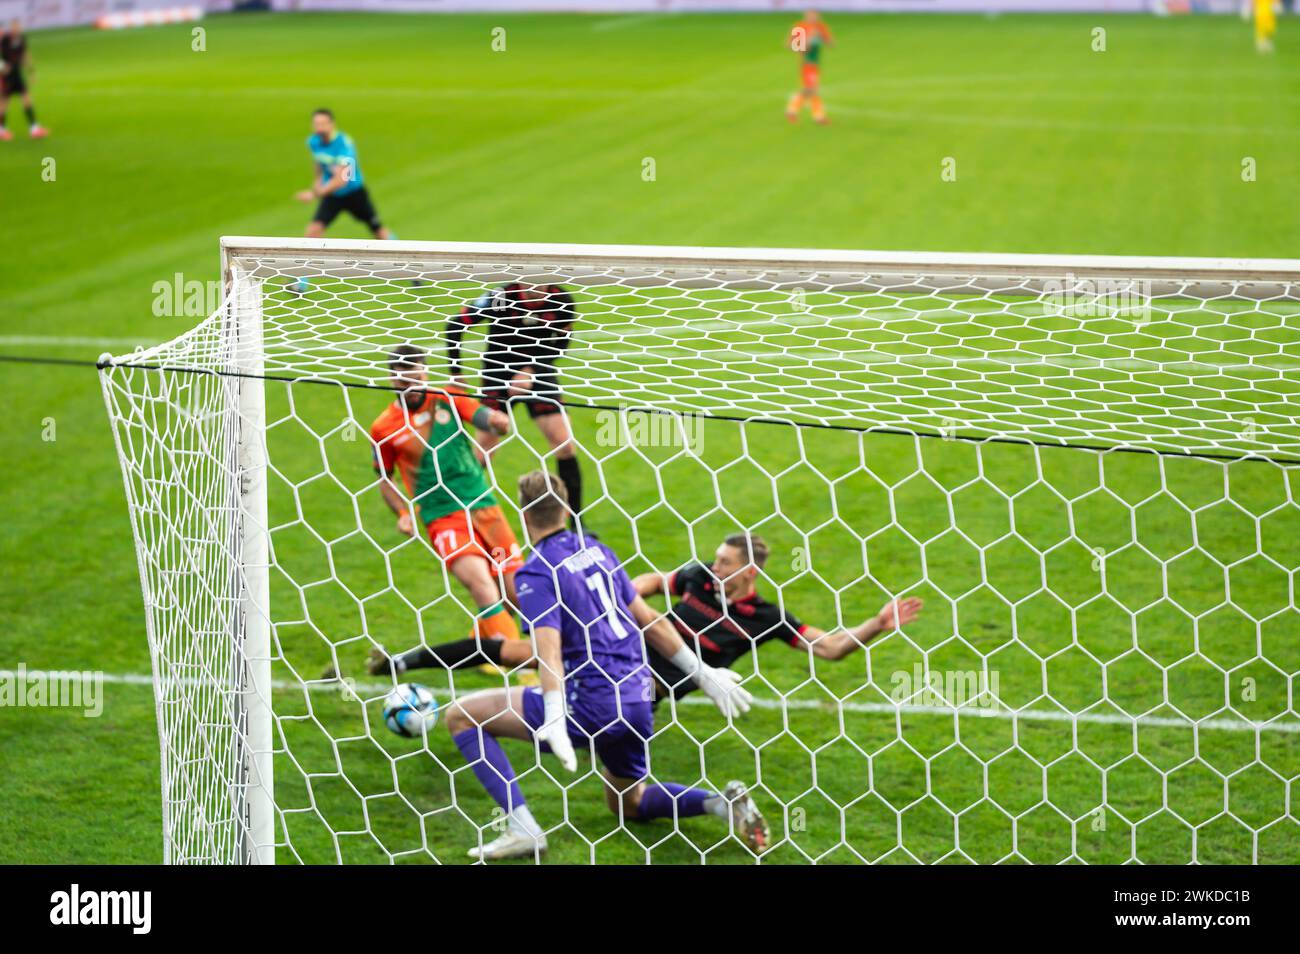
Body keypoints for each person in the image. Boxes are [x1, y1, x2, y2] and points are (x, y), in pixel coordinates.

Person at [443, 471, 765, 861]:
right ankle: (719, 804)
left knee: (462, 716)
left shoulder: (537, 571)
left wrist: (555, 716)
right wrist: (704, 674)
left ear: (524, 516)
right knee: (628, 803)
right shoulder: (599, 551)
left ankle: (522, 828)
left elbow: (548, 652)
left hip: (590, 700)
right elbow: (651, 620)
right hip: (636, 697)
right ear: (565, 510)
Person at [370, 532, 922, 707]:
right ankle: (401, 662)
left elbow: (827, 648)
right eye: (716, 559)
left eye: (726, 563)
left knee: (564, 704)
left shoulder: (766, 618)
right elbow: (652, 584)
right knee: (515, 648)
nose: (715, 566)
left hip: (647, 682)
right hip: (621, 642)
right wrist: (618, 598)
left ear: (749, 572)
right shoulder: (697, 578)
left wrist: (874, 624)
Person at [369, 345, 525, 653]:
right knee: (481, 585)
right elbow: (385, 479)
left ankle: (481, 645)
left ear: (425, 372)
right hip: (442, 516)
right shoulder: (383, 427)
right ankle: (523, 668)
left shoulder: (447, 397)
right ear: (392, 379)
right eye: (404, 380)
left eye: (417, 377)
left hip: (482, 503)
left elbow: (482, 417)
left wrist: (498, 420)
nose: (411, 386)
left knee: (515, 592)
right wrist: (402, 511)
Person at [447, 283, 583, 516]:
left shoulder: (562, 300)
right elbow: (455, 325)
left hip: (538, 370)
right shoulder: (500, 298)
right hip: (497, 373)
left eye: (544, 284)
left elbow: (561, 344)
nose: (538, 289)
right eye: (532, 283)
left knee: (565, 444)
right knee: (484, 448)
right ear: (521, 282)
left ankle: (576, 524)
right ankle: (460, 511)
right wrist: (456, 372)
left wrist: (530, 370)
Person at [296, 108, 390, 240]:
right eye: (316, 124)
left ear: (332, 124)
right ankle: (316, 260)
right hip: (332, 195)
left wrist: (314, 194)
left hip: (354, 193)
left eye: (323, 124)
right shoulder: (314, 142)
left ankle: (401, 257)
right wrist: (317, 181)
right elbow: (318, 163)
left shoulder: (345, 145)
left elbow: (342, 179)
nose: (319, 128)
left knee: (378, 230)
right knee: (312, 232)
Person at [0, 20, 48, 141]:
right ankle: (1, 130)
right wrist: (2, 66)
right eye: (15, 26)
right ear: (11, 28)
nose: (17, 28)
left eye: (18, 26)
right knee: (4, 101)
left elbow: (25, 55)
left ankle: (34, 128)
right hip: (6, 75)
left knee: (26, 97)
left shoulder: (21, 38)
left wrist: (31, 72)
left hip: (17, 73)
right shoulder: (5, 40)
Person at [786, 10, 833, 125]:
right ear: (806, 16)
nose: (813, 18)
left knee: (810, 90)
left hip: (815, 63)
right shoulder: (800, 28)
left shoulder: (820, 27)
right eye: (811, 16)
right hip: (807, 62)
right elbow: (790, 46)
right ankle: (819, 117)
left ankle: (792, 110)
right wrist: (807, 40)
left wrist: (823, 36)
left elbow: (831, 43)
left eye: (816, 16)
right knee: (812, 90)